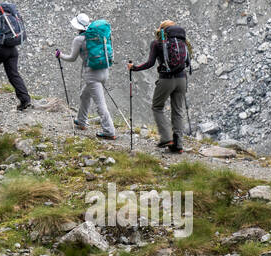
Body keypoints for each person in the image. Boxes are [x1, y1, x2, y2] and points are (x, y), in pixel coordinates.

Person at [128, 20, 192, 153]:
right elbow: (186, 61)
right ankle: (178, 145)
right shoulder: (182, 42)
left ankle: (166, 137)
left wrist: (134, 68)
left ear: (162, 31)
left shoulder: (157, 43)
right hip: (182, 79)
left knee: (157, 107)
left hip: (166, 79)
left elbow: (150, 63)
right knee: (178, 110)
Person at [58, 13, 116, 139]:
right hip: (104, 71)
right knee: (84, 95)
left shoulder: (79, 39)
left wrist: (60, 55)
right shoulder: (98, 36)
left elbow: (72, 58)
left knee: (100, 104)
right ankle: (81, 120)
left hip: (92, 75)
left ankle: (109, 131)